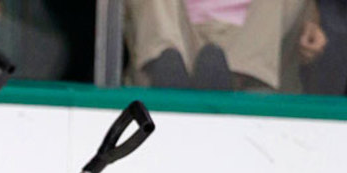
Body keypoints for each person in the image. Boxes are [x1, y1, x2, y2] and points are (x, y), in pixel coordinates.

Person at [124, 0, 327, 91]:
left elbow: (307, 12)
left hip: (255, 44)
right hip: (176, 41)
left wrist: (312, 26)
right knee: (169, 57)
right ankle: (164, 72)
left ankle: (238, 81)